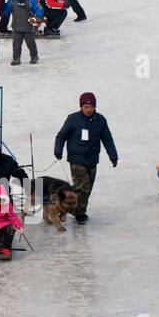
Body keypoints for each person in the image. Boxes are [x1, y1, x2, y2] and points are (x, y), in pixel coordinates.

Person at [53, 92, 117, 223]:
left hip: (92, 159)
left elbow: (107, 139)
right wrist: (58, 149)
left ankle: (77, 210)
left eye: (91, 107)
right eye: (86, 107)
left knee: (86, 188)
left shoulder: (100, 120)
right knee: (83, 186)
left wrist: (113, 155)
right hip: (76, 159)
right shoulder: (73, 119)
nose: (88, 110)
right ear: (81, 106)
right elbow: (61, 136)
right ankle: (74, 209)